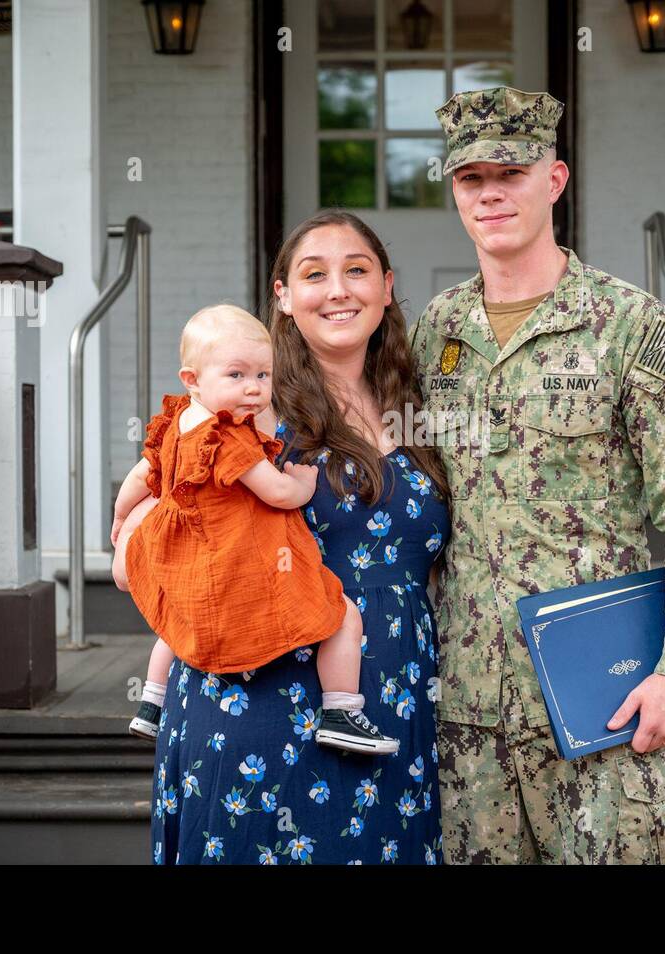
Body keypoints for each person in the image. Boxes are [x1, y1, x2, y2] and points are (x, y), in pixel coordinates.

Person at [408, 86, 665, 864]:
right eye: (471, 178)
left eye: (513, 171)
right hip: (469, 722)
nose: (491, 192)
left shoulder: (631, 328)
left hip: (606, 711)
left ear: (554, 180)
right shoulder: (436, 334)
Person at [138, 215, 449, 865]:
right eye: (314, 275)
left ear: (386, 287)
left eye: (356, 270)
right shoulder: (247, 401)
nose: (338, 289)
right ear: (282, 295)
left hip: (389, 706)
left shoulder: (415, 406)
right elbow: (148, 536)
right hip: (262, 700)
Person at [110, 304, 399, 756]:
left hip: (188, 555)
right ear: (192, 379)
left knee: (179, 619)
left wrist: (120, 515)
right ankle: (341, 710)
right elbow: (275, 493)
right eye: (236, 376)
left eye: (263, 376)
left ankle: (151, 702)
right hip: (235, 558)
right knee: (340, 613)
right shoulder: (226, 438)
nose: (253, 389)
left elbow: (141, 476)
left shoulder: (174, 425)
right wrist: (302, 484)